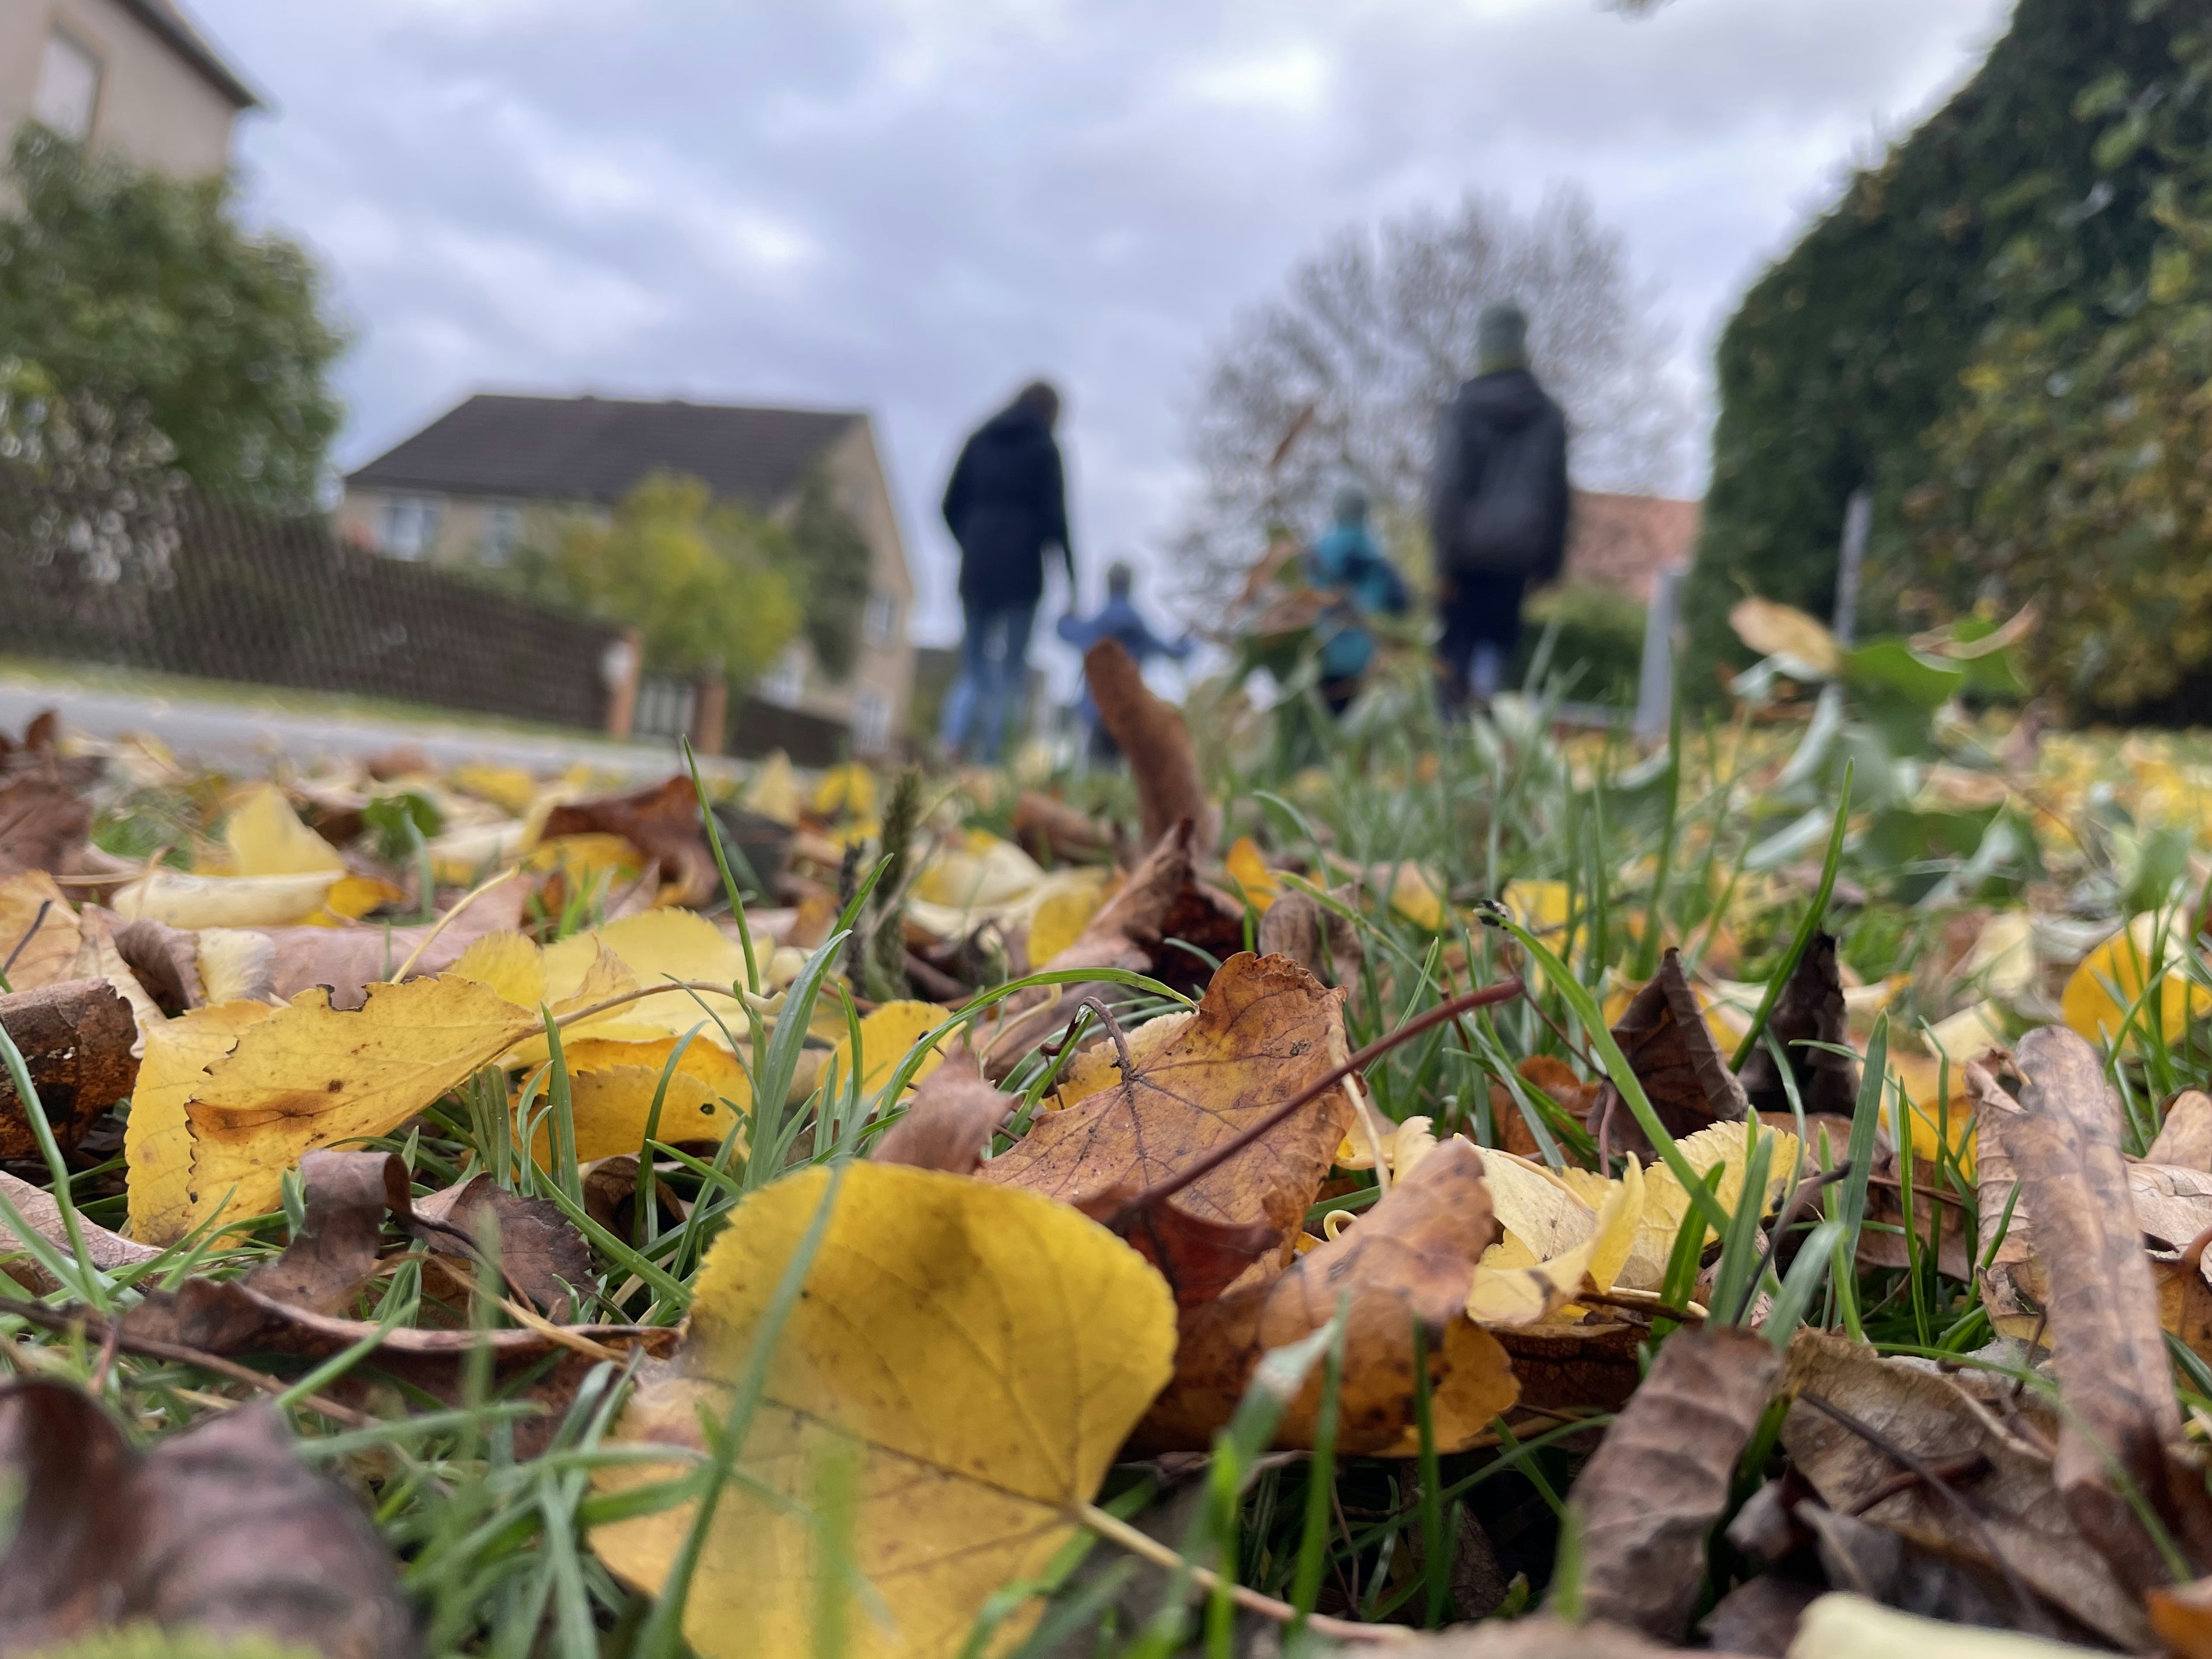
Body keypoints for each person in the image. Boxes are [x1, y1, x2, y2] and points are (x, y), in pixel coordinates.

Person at [1427, 301, 1570, 715]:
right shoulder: (1547, 415)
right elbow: (1555, 495)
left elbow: (1446, 487)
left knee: (1456, 644)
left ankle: (1452, 731)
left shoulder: (1462, 410)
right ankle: (1485, 713)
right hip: (1517, 554)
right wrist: (1548, 565)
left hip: (1464, 554)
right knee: (1496, 641)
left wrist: (1442, 562)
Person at [939, 380, 1074, 763]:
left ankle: (953, 744)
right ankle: (991, 761)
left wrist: (972, 544)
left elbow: (948, 504)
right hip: (1022, 573)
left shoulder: (980, 439)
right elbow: (1057, 520)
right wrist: (1070, 577)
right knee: (1012, 670)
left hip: (976, 569)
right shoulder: (1044, 449)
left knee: (974, 667)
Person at [1056, 560, 1193, 762]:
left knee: (1096, 770)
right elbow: (1177, 653)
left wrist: (1066, 616)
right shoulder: (1140, 630)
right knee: (1127, 772)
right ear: (1130, 585)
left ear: (1108, 585)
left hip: (1096, 711)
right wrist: (1187, 638)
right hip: (1130, 712)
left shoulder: (1094, 628)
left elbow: (1064, 631)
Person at [1304, 483, 1408, 715]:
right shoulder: (1379, 560)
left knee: (1328, 732)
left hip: (1322, 661)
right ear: (1365, 512)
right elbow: (1402, 606)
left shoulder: (1312, 558)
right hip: (1367, 666)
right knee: (1362, 736)